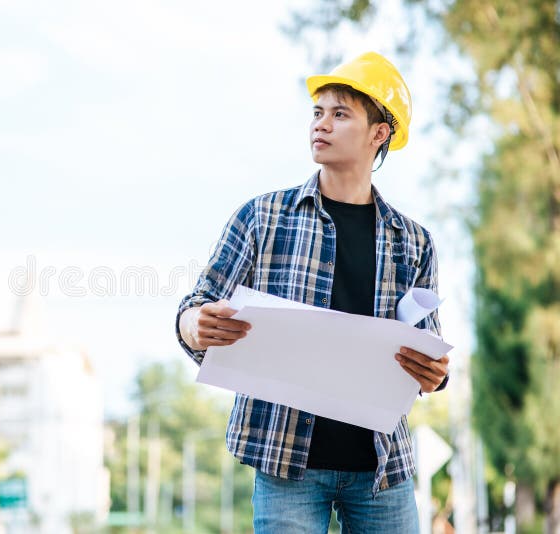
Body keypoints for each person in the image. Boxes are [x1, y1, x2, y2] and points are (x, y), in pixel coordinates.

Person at [175, 51, 450, 533]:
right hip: (286, 462)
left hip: (382, 469)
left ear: (379, 133)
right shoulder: (261, 217)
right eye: (317, 112)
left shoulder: (414, 241)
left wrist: (435, 375)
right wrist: (195, 326)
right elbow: (193, 309)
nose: (321, 124)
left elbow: (427, 352)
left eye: (340, 114)